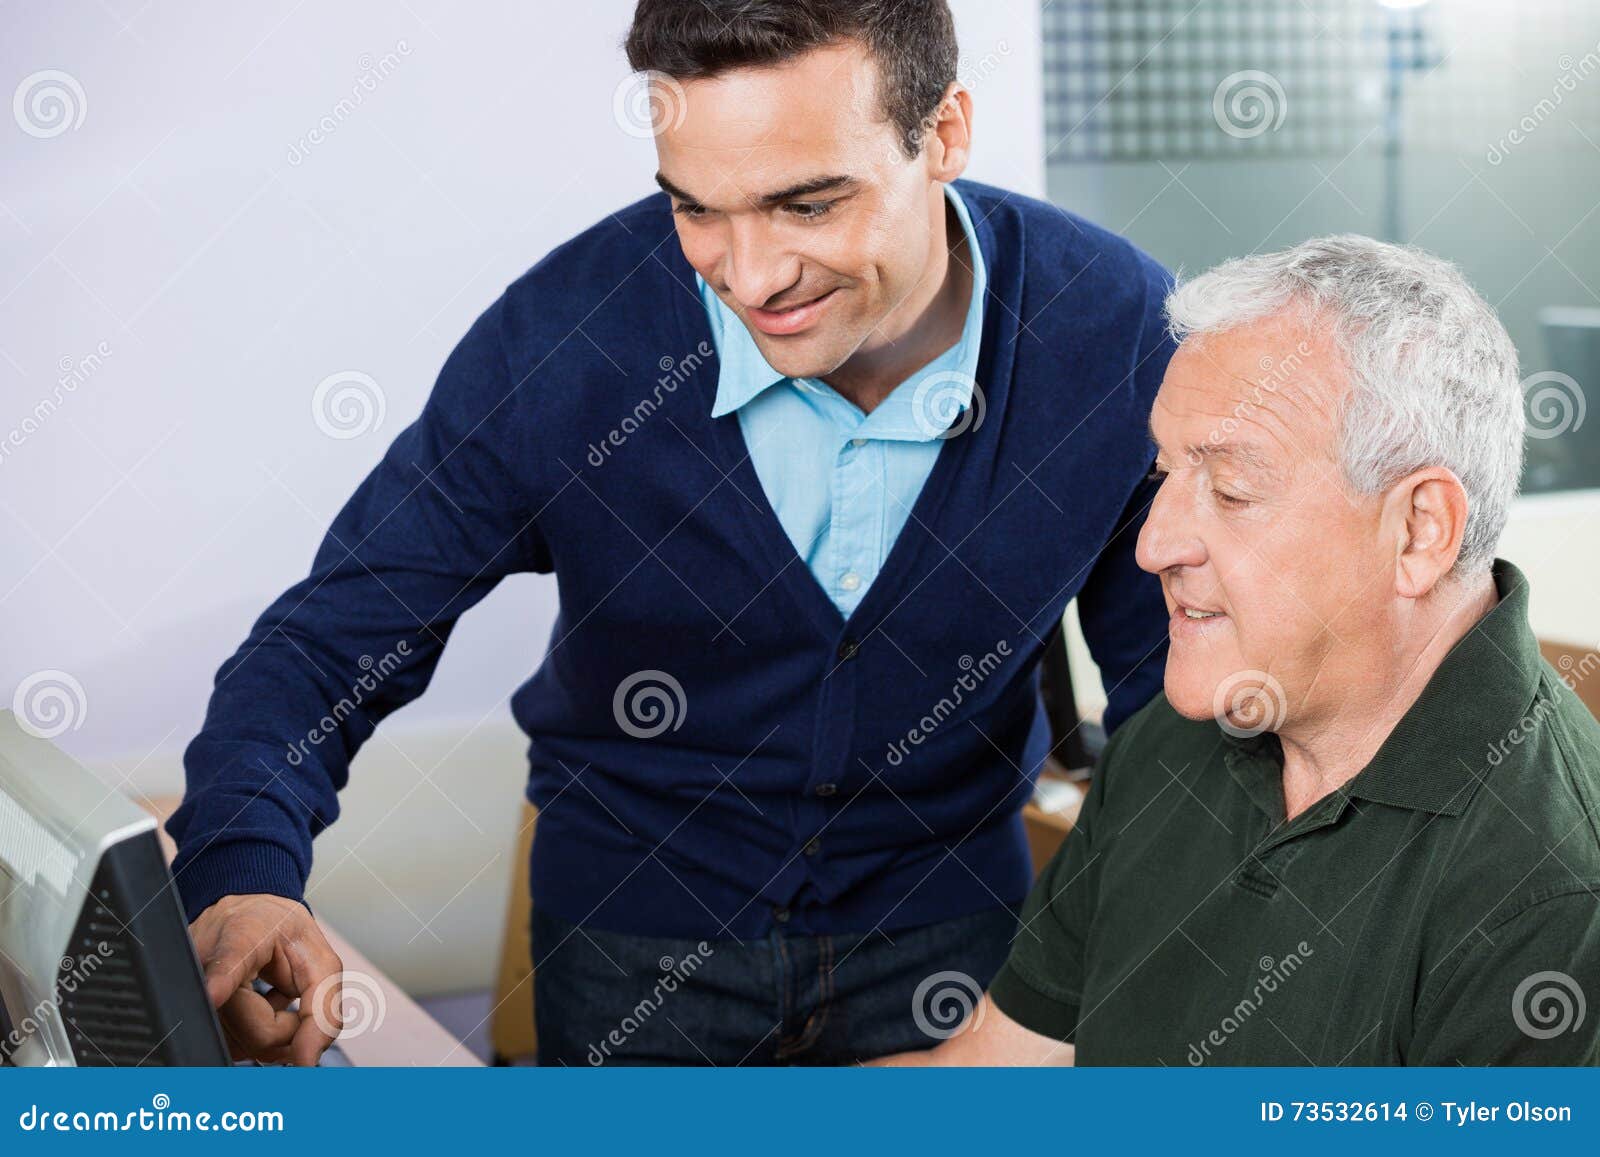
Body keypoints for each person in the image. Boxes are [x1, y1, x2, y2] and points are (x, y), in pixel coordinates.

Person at [169, 0, 1174, 1066]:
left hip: (960, 945)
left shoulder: (1110, 328)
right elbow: (331, 640)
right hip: (631, 947)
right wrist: (241, 869)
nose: (752, 277)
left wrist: (1106, 977)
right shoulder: (567, 337)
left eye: (807, 204)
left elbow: (1174, 711)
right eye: (697, 209)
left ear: (946, 134)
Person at [883, 235, 1600, 1066]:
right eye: (1163, 476)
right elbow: (986, 1075)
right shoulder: (1172, 736)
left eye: (1231, 490)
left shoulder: (1554, 894)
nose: (1151, 545)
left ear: (1419, 529)